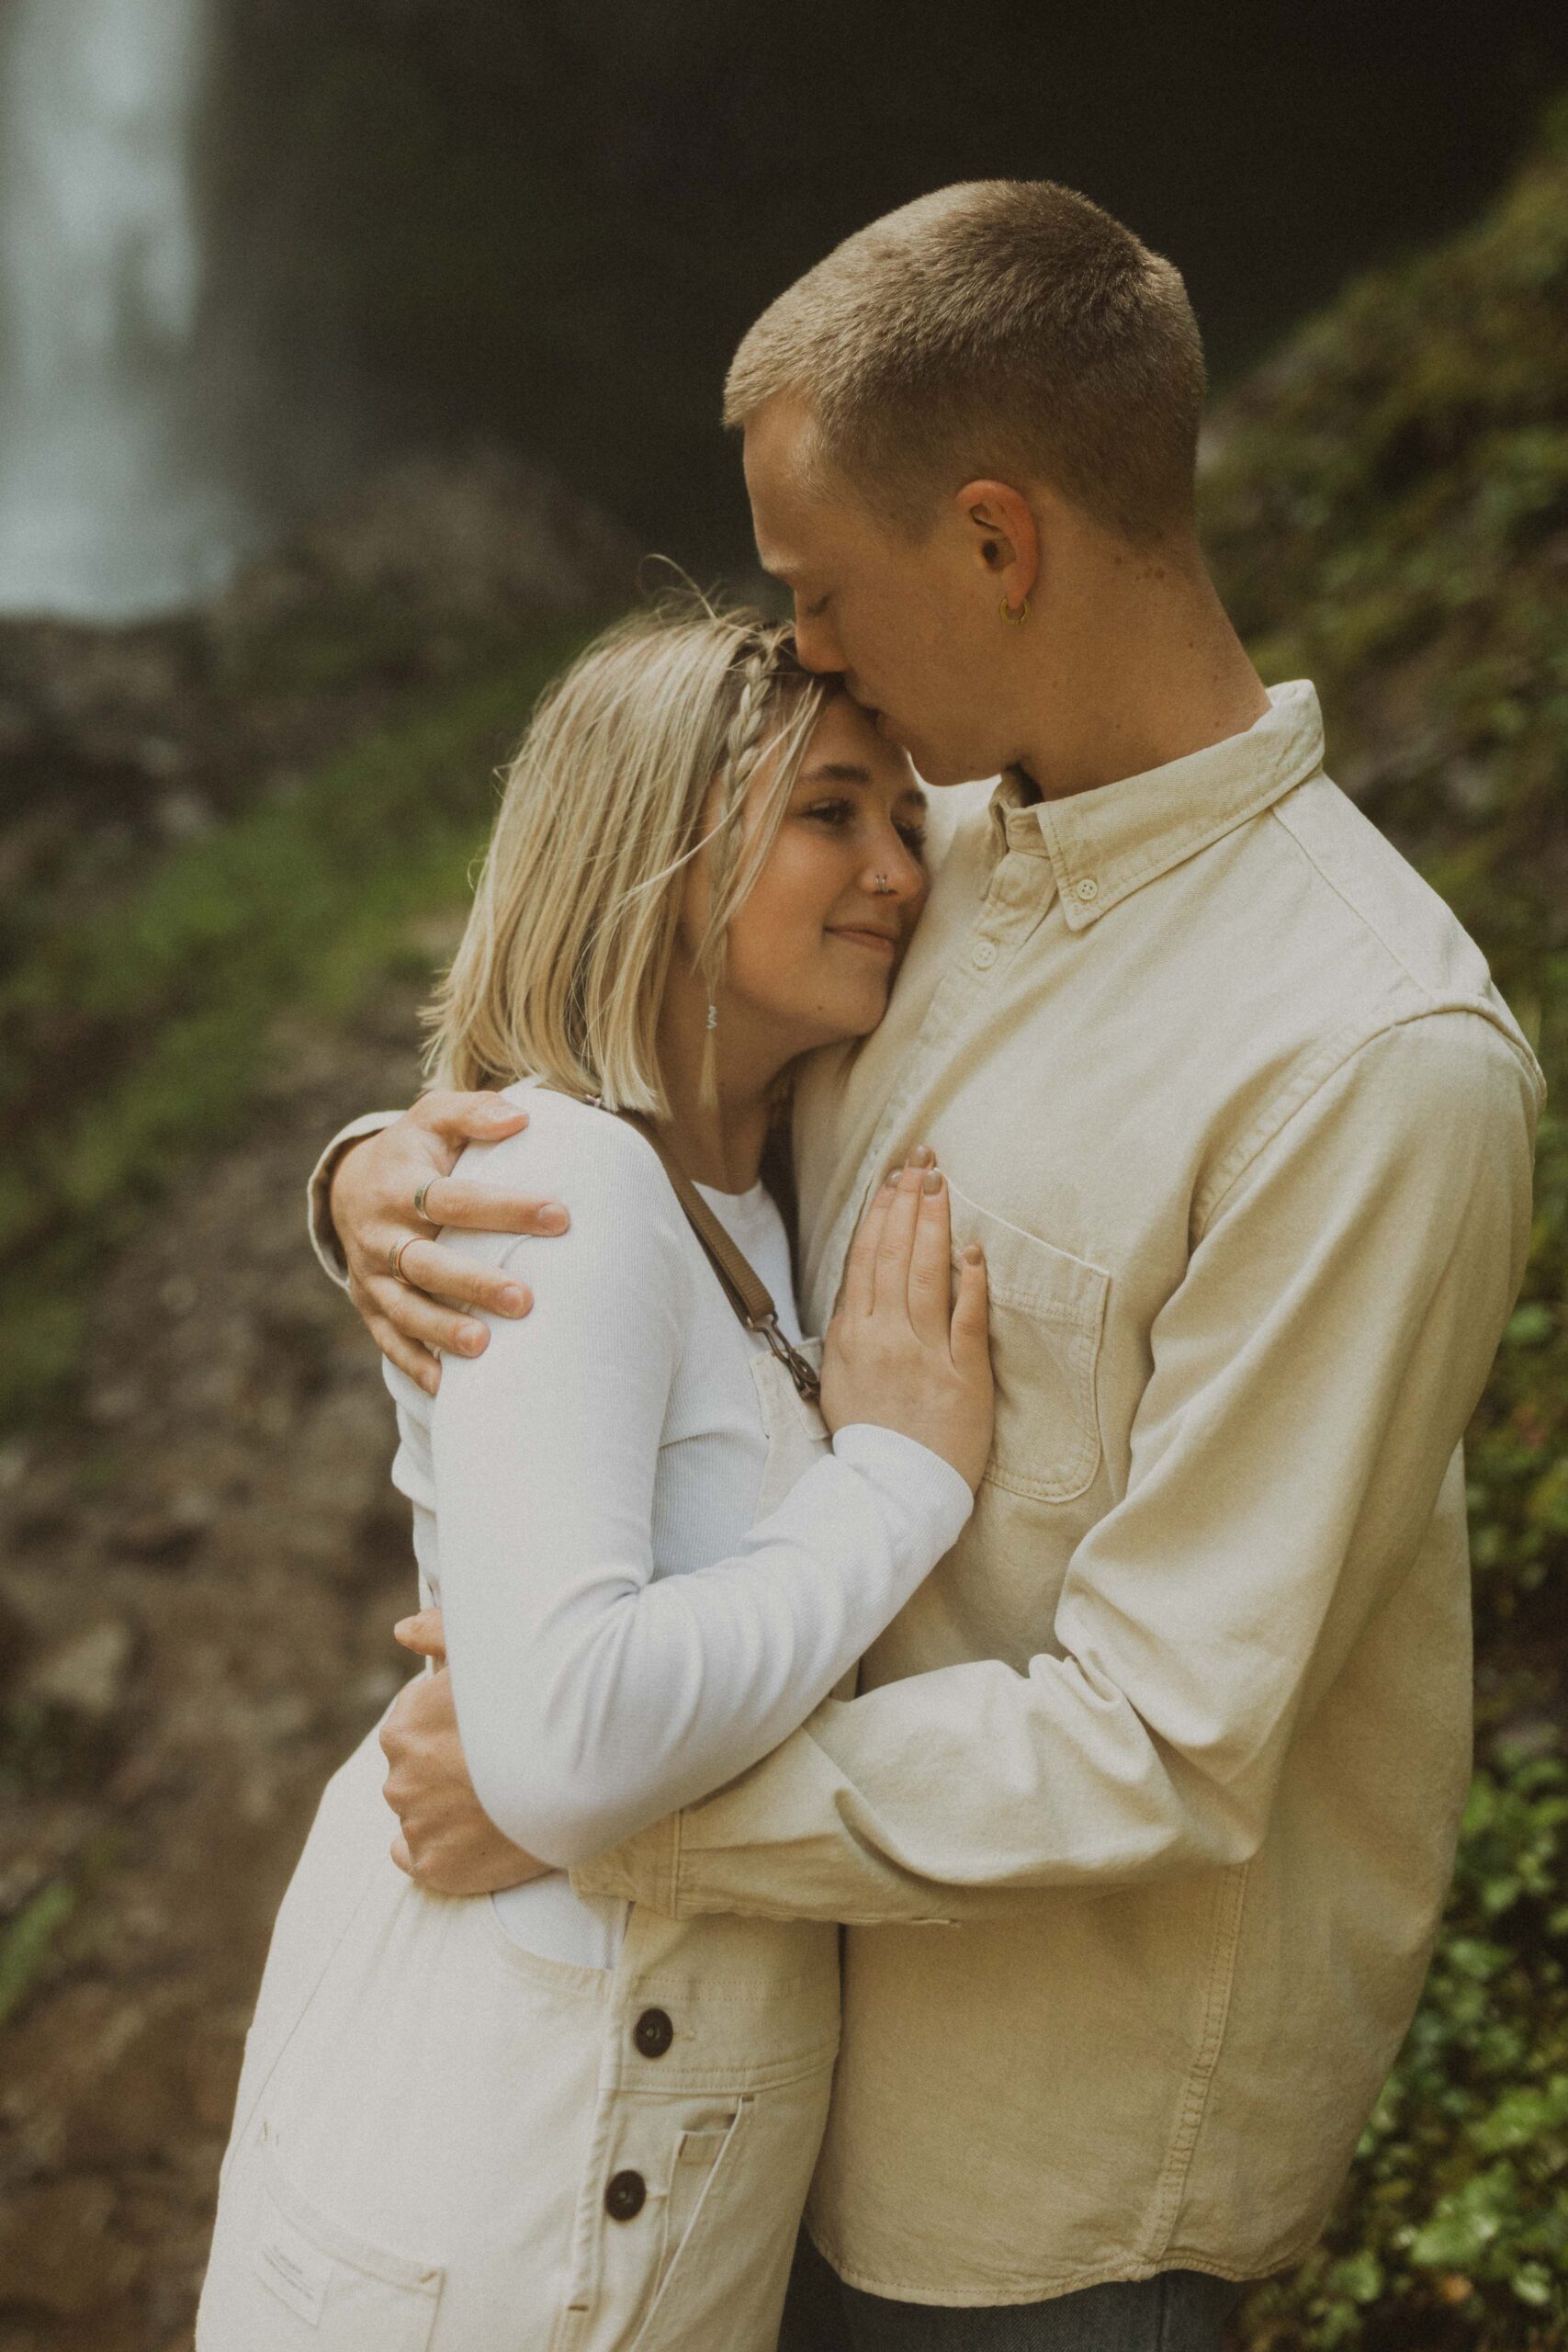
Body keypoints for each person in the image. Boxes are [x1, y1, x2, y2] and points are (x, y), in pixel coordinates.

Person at [315, 183, 1543, 2350]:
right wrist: (375, 1177)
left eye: (816, 587)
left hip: (1034, 2186)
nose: (804, 651)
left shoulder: (1365, 1060)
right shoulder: (918, 849)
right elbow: (656, 1098)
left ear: (992, 539)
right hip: (729, 2074)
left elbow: (1159, 1739)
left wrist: (590, 1800)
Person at [197, 602, 997, 2351]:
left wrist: (353, 1167)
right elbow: (564, 1746)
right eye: (831, 813)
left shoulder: (756, 1190)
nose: (898, 870)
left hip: (633, 2146)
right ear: (657, 855)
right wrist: (894, 1484)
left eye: (905, 822)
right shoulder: (567, 1181)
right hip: (520, 2168)